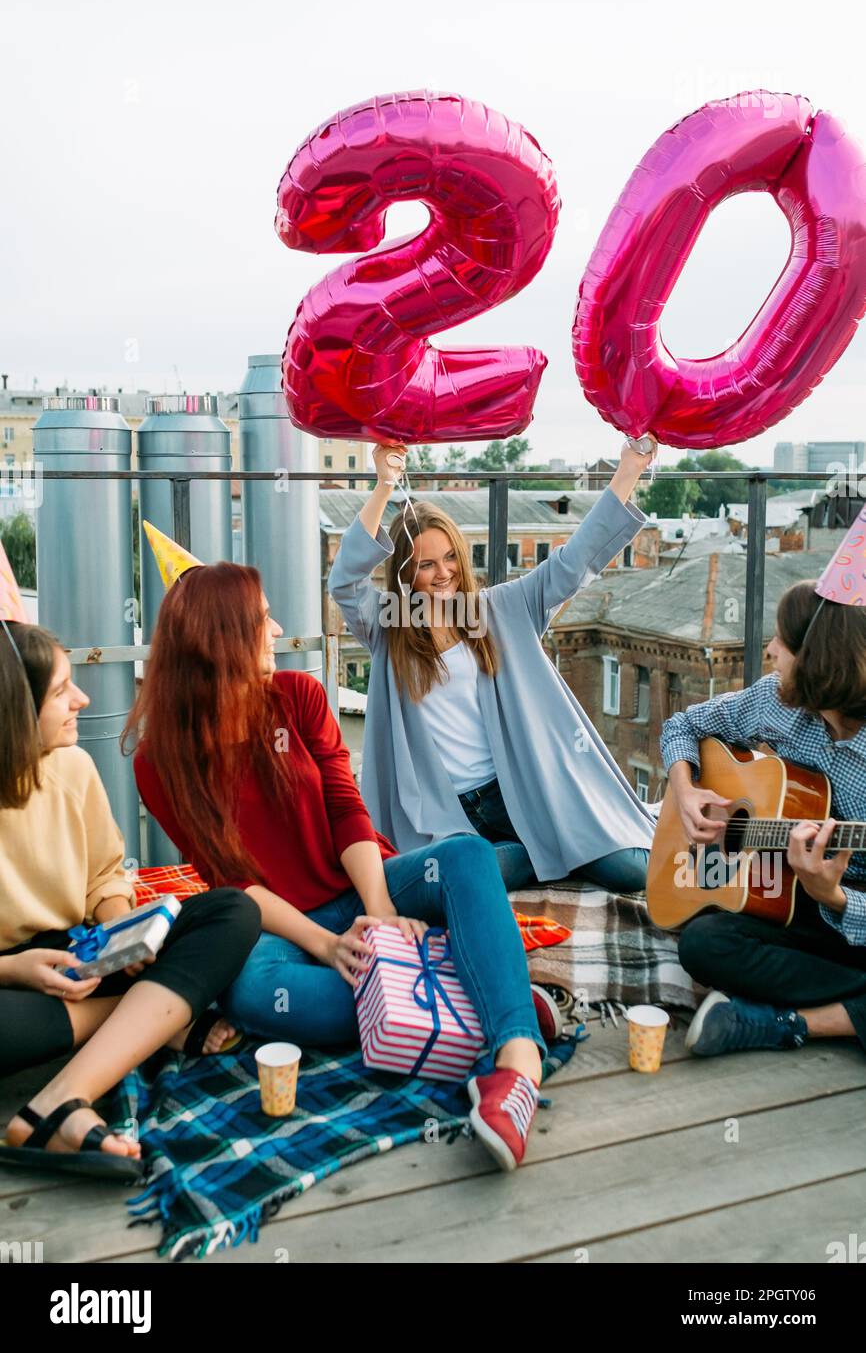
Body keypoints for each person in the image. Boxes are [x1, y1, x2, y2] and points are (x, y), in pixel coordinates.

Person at [127, 559, 549, 1172]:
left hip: (363, 884)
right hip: (280, 932)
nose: (276, 631)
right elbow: (233, 885)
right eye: (261, 619)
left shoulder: (299, 697)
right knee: (251, 996)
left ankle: (515, 1063)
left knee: (466, 856)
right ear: (221, 641)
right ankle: (481, 996)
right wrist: (328, 945)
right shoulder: (158, 762)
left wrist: (379, 915)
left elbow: (346, 807)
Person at [326, 438, 658, 894]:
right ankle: (537, 855)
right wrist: (384, 485)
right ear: (405, 573)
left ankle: (641, 846)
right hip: (447, 813)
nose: (443, 573)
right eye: (425, 565)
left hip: (520, 789)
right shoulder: (387, 626)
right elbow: (344, 579)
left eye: (449, 559)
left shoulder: (502, 608)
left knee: (631, 873)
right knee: (475, 870)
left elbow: (573, 562)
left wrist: (629, 470)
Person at [0, 620, 262, 1180]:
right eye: (61, 692)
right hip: (15, 981)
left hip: (84, 956)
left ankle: (63, 1097)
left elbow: (104, 876)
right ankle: (157, 1018)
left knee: (232, 911)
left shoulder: (73, 767)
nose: (83, 699)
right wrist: (16, 970)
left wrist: (125, 935)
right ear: (15, 713)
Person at [660, 580, 866, 1058]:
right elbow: (683, 724)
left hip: (848, 914)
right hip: (789, 902)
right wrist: (686, 791)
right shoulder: (775, 700)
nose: (770, 650)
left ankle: (785, 1024)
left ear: (818, 660)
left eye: (782, 642)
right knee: (703, 945)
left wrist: (833, 896)